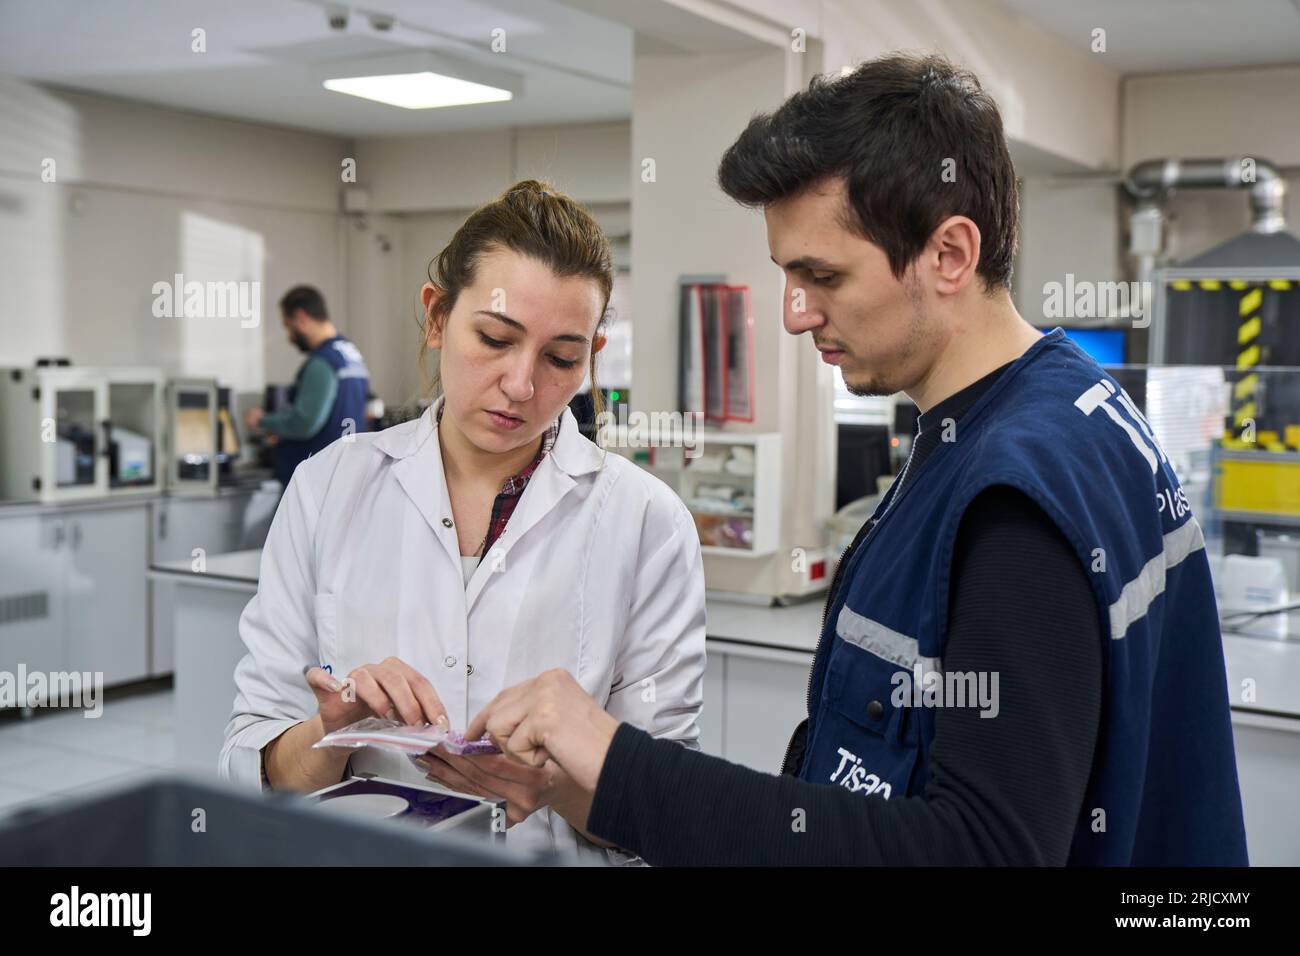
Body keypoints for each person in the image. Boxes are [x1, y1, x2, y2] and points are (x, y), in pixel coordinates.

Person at [463, 54, 1249, 866]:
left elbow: (979, 852)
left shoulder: (1016, 491)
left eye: (823, 275)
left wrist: (619, 760)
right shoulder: (1063, 409)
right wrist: (586, 787)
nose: (797, 315)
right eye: (788, 275)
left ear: (949, 253)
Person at [220, 181, 706, 863]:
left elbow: (664, 811)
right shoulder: (328, 486)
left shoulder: (647, 522)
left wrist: (551, 787)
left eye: (562, 357)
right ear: (437, 316)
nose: (521, 384)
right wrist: (333, 731)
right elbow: (254, 765)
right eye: (495, 338)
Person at [244, 286, 371, 487]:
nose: (289, 337)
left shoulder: (323, 361)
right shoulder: (351, 354)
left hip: (317, 478)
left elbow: (304, 422)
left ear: (301, 317)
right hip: (346, 471)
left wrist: (262, 420)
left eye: (288, 327)